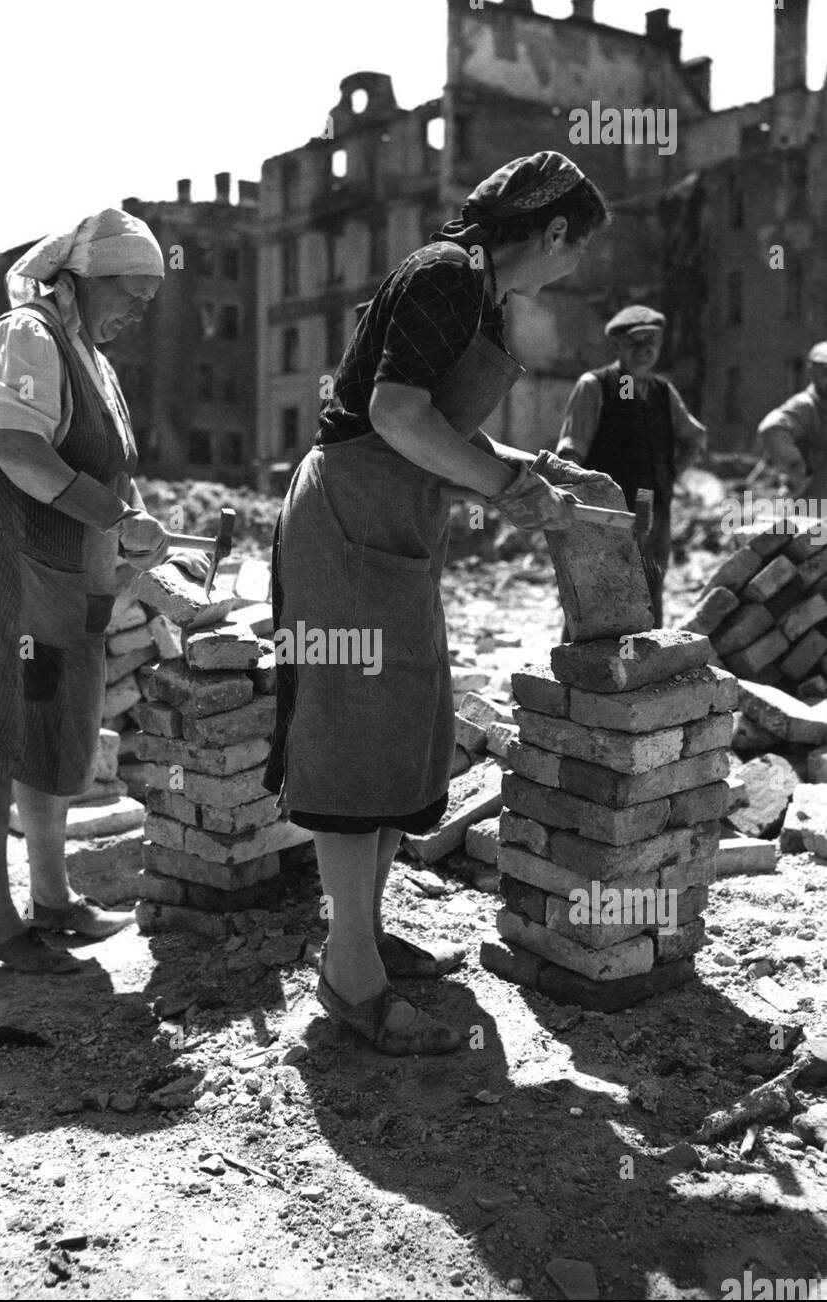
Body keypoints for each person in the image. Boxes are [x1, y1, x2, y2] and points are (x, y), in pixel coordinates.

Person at [262, 151, 610, 1057]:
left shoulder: (478, 292)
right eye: (577, 251)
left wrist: (524, 469)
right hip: (350, 516)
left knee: (400, 721)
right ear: (555, 231)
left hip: (394, 520)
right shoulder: (446, 275)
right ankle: (350, 981)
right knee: (352, 729)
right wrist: (502, 485)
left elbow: (445, 426)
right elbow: (398, 415)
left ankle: (363, 936)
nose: (575, 271)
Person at [0, 208, 189, 975]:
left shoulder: (95, 359)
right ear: (87, 279)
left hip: (62, 561)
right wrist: (116, 518)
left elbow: (106, 471)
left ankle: (54, 897)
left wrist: (130, 534)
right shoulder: (27, 334)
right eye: (131, 293)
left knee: (51, 721)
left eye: (148, 299)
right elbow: (19, 451)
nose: (139, 311)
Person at [556, 305, 707, 625]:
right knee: (597, 596)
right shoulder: (594, 385)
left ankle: (648, 669)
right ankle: (581, 672)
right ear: (618, 346)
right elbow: (570, 454)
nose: (644, 351)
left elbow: (695, 438)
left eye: (651, 343)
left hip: (654, 513)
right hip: (606, 515)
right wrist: (580, 502)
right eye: (634, 344)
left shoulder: (663, 392)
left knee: (649, 596)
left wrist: (669, 476)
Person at [756, 342, 827, 507]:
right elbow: (771, 429)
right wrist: (798, 468)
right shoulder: (806, 405)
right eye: (824, 370)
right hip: (810, 505)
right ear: (811, 371)